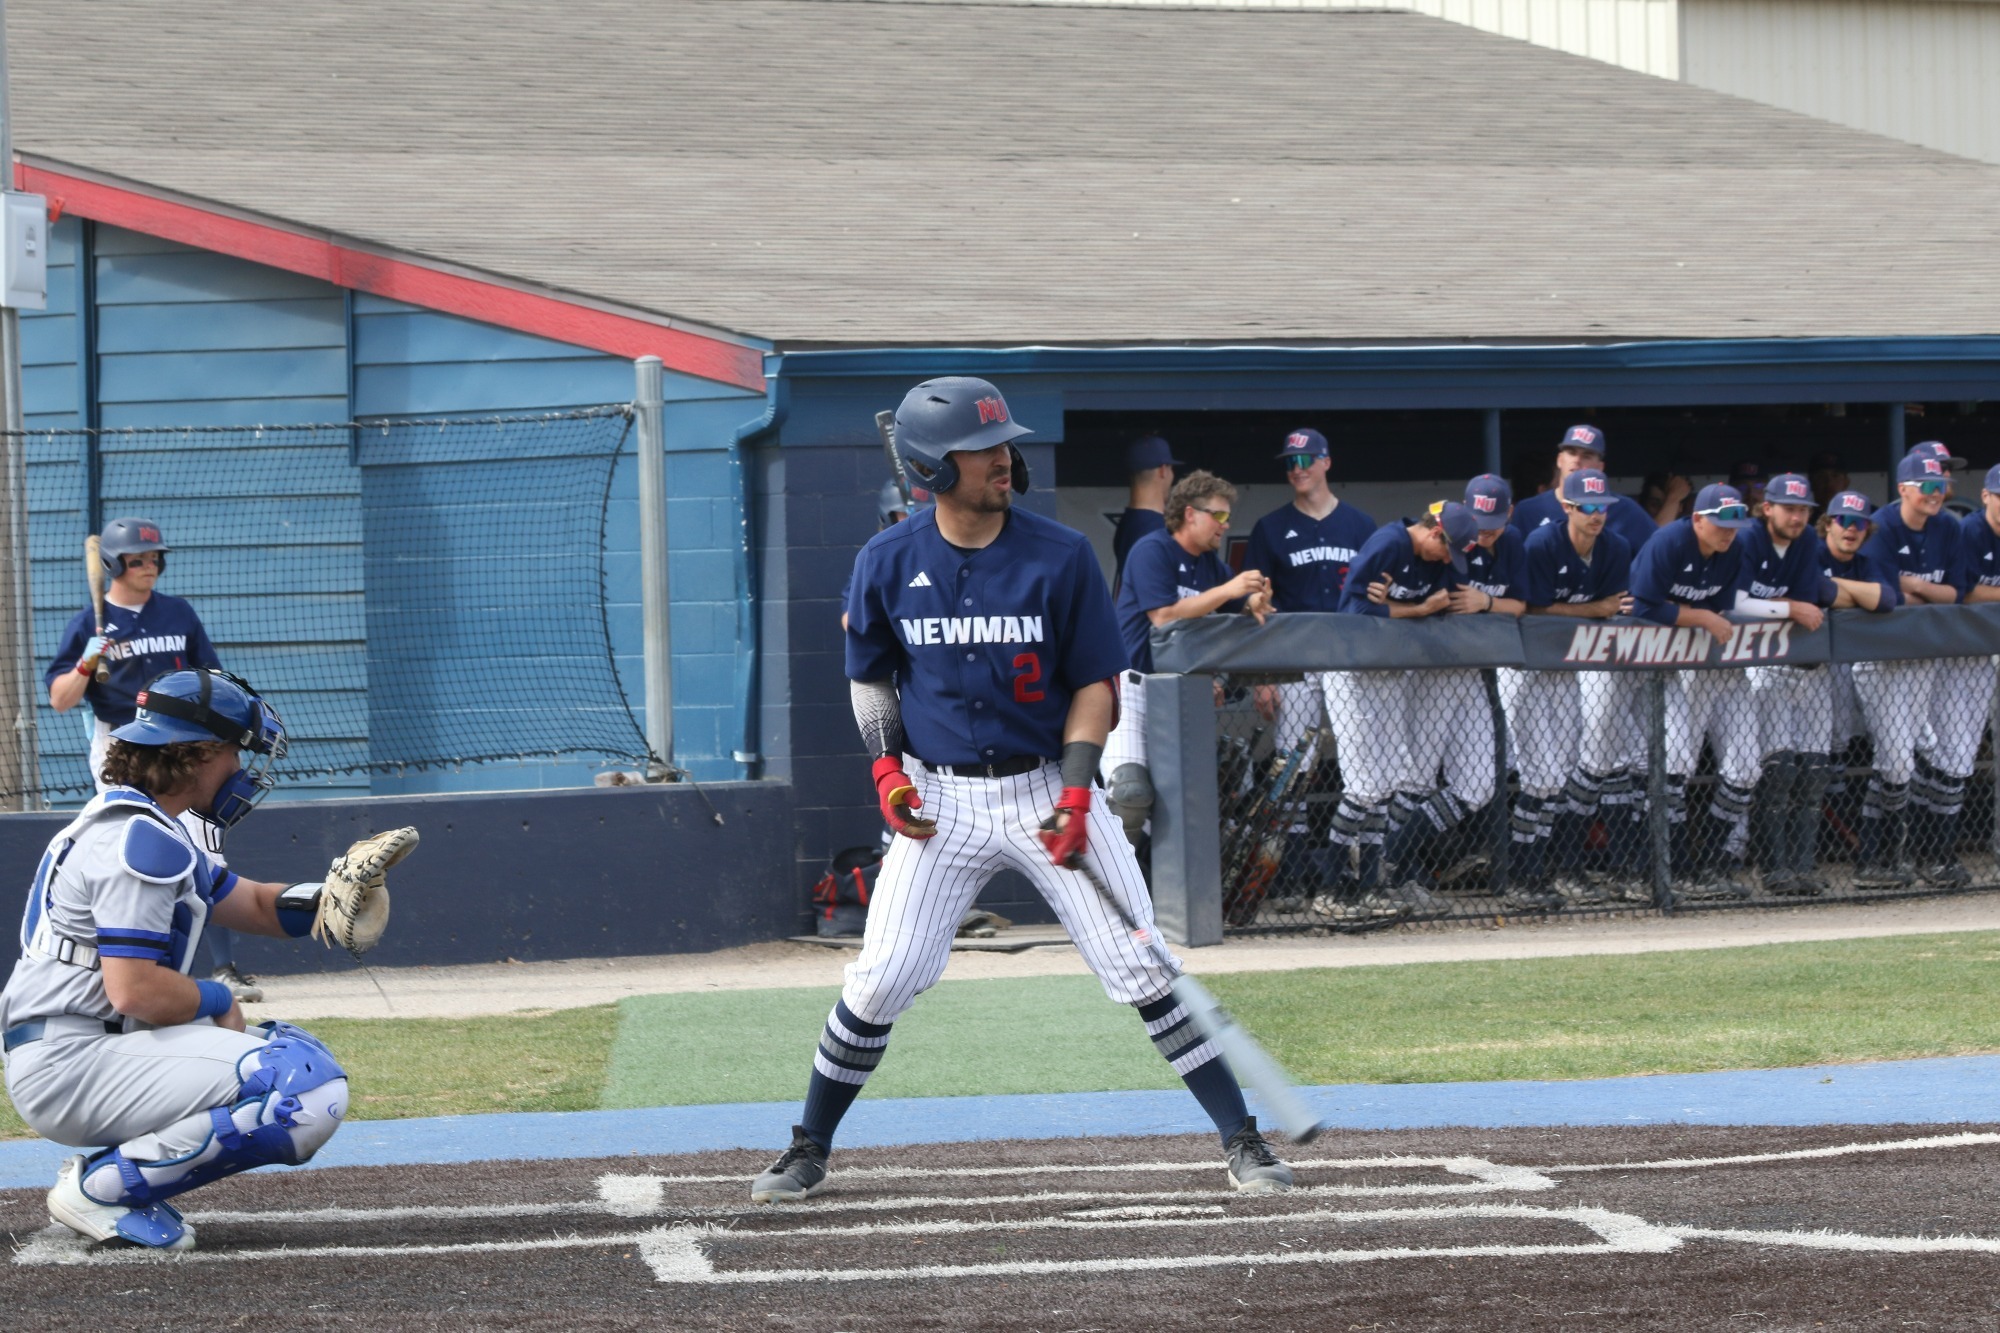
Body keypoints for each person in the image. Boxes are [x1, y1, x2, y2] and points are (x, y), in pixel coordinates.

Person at [752, 378, 1294, 1205]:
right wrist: (887, 770)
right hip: (940, 804)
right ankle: (808, 1146)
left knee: (1142, 963)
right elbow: (870, 682)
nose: (1005, 459)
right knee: (883, 975)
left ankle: (1241, 1139)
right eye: (984, 449)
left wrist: (1078, 794)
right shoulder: (886, 561)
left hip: (1048, 785)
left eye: (1004, 443)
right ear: (935, 468)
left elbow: (1095, 686)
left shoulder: (1062, 552)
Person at [0, 669, 362, 1251]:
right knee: (302, 1086)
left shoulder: (145, 827)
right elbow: (135, 990)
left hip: (81, 1047)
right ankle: (103, 1189)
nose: (242, 771)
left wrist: (335, 898)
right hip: (71, 1061)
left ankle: (122, 1174)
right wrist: (219, 1000)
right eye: (236, 753)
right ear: (199, 754)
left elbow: (258, 905)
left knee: (299, 1053)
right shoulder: (139, 842)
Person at [43, 518, 259, 1004]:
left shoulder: (177, 613)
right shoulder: (88, 624)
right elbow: (60, 699)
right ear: (115, 565)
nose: (149, 566)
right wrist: (85, 662)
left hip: (182, 739)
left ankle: (223, 968)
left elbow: (212, 677)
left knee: (203, 841)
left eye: (154, 557)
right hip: (121, 741)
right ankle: (134, 967)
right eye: (137, 559)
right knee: (135, 847)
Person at [1316, 501, 1482, 920]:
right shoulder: (1388, 544)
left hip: (1390, 674)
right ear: (1433, 533)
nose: (1449, 561)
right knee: (1365, 786)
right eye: (1448, 550)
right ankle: (1331, 889)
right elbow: (1354, 612)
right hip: (1350, 671)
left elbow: (1439, 610)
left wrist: (1390, 608)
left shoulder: (1437, 562)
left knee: (1389, 783)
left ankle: (1370, 887)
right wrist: (1415, 610)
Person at [1101, 470, 1270, 851]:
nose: (1225, 526)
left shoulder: (1210, 565)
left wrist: (1254, 600)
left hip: (1177, 694)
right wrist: (1229, 589)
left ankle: (1155, 901)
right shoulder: (1152, 549)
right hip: (1132, 688)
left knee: (1176, 804)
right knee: (1129, 795)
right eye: (1219, 516)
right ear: (1190, 514)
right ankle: (1104, 899)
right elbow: (1163, 616)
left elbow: (1239, 605)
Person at [1242, 428, 1376, 898]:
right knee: (1292, 767)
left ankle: (1356, 870)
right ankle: (1293, 876)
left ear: (1326, 463)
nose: (1297, 470)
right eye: (1290, 463)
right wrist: (1264, 676)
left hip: (1346, 659)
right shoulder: (1271, 528)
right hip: (1295, 661)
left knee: (1363, 763)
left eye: (1306, 461)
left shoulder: (1361, 526)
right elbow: (1257, 606)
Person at [1387, 475, 1521, 904]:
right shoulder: (1445, 547)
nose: (1483, 531)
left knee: (1480, 784)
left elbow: (1527, 604)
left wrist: (1487, 604)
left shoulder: (1512, 545)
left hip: (1476, 672)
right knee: (1416, 779)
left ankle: (1389, 857)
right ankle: (1398, 876)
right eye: (1477, 521)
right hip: (1433, 669)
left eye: (1494, 522)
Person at [1628, 483, 1759, 900]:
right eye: (1720, 525)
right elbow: (1642, 605)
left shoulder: (1732, 550)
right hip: (1643, 663)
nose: (1728, 533)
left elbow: (1721, 603)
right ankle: (1654, 867)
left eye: (1734, 525)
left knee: (1737, 767)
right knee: (1668, 764)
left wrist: (1701, 617)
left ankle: (1704, 867)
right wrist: (1699, 616)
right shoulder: (1669, 541)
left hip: (1694, 659)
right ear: (1697, 518)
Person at [1517, 469, 1640, 905]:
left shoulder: (1616, 546)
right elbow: (1531, 609)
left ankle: (1553, 870)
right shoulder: (1542, 543)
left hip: (1575, 668)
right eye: (1587, 507)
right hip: (1528, 669)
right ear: (1567, 507)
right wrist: (1592, 609)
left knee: (1567, 771)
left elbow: (1613, 611)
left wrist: (1590, 611)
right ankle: (1520, 875)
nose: (1596, 515)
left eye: (1602, 506)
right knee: (1540, 776)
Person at [1854, 452, 1966, 884]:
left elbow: (1954, 594)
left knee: (1904, 760)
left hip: (1922, 660)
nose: (1937, 495)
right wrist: (1917, 594)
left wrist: (1915, 585)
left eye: (1941, 487)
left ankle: (1889, 858)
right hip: (1879, 659)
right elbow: (1884, 600)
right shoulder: (1881, 527)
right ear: (1904, 488)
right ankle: (1871, 859)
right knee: (1896, 759)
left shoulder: (1948, 527)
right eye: (1928, 487)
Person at [1734, 473, 1835, 896]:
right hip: (1760, 663)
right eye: (1788, 508)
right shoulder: (1745, 539)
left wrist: (1793, 606)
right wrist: (1788, 606)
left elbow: (1814, 596)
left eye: (1803, 509)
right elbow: (1734, 603)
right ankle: (1772, 868)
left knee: (1813, 770)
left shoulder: (1808, 541)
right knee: (1778, 770)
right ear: (1767, 507)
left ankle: (1803, 866)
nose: (1797, 517)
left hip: (1804, 663)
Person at [1816, 489, 1899, 884]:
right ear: (1827, 524)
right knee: (1810, 759)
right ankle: (1808, 849)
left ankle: (1852, 842)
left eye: (1860, 523)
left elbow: (1886, 600)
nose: (1851, 529)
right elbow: (1816, 592)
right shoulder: (1811, 555)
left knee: (1843, 752)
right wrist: (1848, 594)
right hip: (1808, 669)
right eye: (1843, 521)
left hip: (1856, 665)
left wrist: (1839, 590)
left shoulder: (1868, 561)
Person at [1508, 424, 1665, 553]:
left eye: (1587, 455)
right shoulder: (1528, 510)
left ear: (1600, 467)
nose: (1577, 460)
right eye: (1571, 453)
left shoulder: (1625, 509)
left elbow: (1658, 555)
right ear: (1560, 460)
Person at [841, 479, 930, 631]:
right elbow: (851, 620)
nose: (915, 521)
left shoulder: (947, 555)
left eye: (921, 514)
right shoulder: (877, 561)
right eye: (906, 514)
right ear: (890, 517)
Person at [1111, 434, 1180, 595]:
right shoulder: (1154, 528)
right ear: (1163, 470)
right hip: (1154, 616)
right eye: (1171, 469)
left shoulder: (1128, 523)